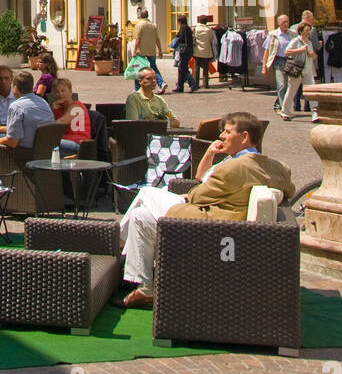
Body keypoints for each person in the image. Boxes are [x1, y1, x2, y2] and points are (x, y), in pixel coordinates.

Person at [118, 112, 294, 308]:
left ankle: (117, 246)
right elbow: (290, 189)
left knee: (147, 193)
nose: (221, 136)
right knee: (140, 216)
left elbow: (197, 196)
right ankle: (144, 287)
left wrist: (189, 195)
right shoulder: (277, 168)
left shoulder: (233, 168)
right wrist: (210, 155)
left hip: (210, 228)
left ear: (244, 137)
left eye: (227, 132)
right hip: (225, 223)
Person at [280, 22, 318, 121]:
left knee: (312, 92)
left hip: (308, 70)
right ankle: (285, 112)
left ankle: (315, 114)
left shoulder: (309, 42)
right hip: (296, 70)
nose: (308, 32)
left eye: (310, 30)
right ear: (301, 31)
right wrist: (300, 50)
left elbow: (314, 57)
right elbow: (287, 52)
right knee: (291, 90)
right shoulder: (295, 41)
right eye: (307, 30)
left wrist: (312, 54)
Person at [51, 78, 92, 157]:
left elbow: (61, 123)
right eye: (57, 92)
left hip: (79, 144)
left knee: (48, 143)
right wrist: (52, 109)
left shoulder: (76, 107)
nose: (60, 94)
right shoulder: (57, 108)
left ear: (70, 92)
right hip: (65, 141)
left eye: (63, 91)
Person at [263, 15, 295, 112]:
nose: (286, 24)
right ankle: (283, 108)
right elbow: (267, 51)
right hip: (278, 60)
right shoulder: (273, 35)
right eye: (284, 22)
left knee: (290, 85)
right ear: (279, 23)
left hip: (290, 61)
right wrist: (264, 66)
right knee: (281, 84)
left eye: (287, 21)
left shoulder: (292, 34)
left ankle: (280, 103)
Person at [130, 9, 166, 92]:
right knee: (153, 68)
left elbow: (138, 39)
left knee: (138, 69)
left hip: (141, 51)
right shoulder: (153, 25)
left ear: (140, 16)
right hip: (151, 50)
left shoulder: (139, 25)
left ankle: (137, 88)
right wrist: (160, 50)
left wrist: (134, 51)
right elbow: (157, 39)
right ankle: (162, 83)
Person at [171, 14, 197, 93]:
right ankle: (180, 86)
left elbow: (181, 38)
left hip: (184, 50)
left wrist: (176, 39)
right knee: (181, 69)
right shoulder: (187, 28)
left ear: (180, 21)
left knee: (183, 68)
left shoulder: (183, 28)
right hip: (188, 50)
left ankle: (193, 84)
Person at [192, 18, 217, 89]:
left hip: (197, 51)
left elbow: (194, 38)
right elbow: (211, 39)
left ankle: (196, 84)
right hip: (206, 51)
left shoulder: (196, 29)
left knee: (196, 68)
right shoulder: (209, 30)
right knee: (206, 68)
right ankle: (206, 84)